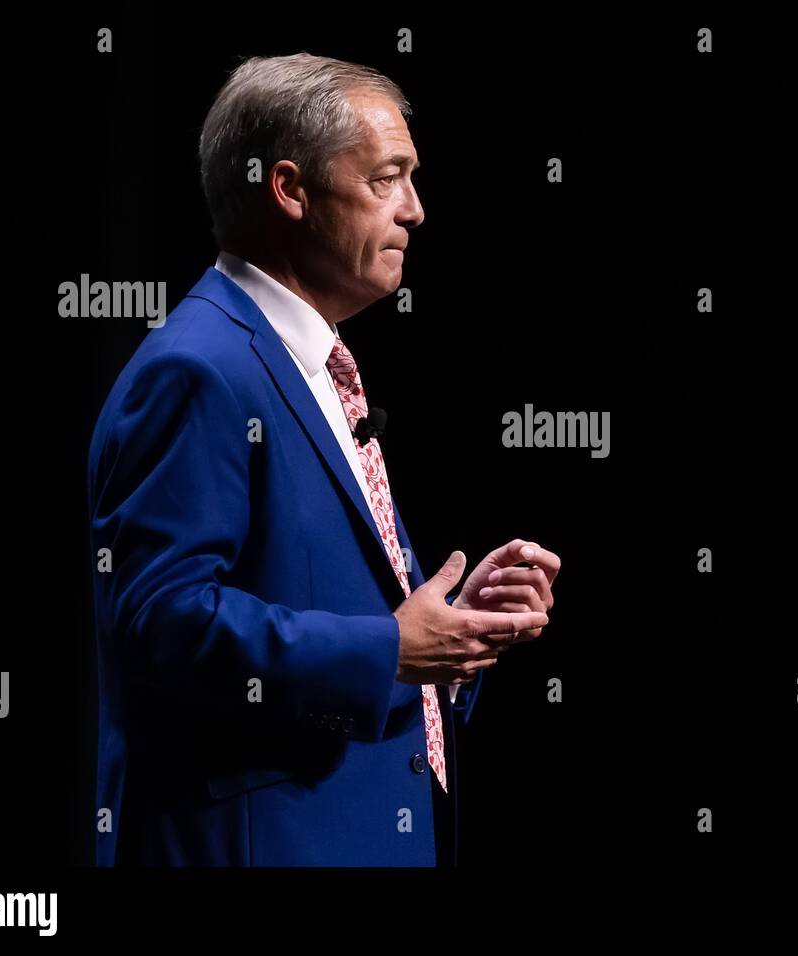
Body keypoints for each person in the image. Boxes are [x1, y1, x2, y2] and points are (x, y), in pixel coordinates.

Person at [88, 52, 560, 866]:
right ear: (290, 190)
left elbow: (319, 600)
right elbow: (156, 624)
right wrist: (387, 649)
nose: (416, 209)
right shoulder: (200, 369)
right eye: (388, 177)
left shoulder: (308, 361)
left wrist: (449, 633)